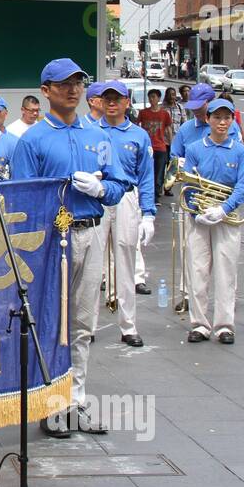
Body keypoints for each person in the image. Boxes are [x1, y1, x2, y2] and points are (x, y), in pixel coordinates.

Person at [10, 59, 127, 437]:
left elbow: (118, 184)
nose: (73, 90)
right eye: (63, 84)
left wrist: (100, 189)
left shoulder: (98, 135)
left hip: (91, 229)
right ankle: (51, 403)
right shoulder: (33, 140)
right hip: (52, 238)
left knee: (82, 324)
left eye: (77, 82)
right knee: (52, 322)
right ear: (46, 91)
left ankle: (75, 401)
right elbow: (22, 198)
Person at [180, 99, 244, 345]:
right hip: (200, 217)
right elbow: (188, 182)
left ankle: (224, 325)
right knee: (197, 271)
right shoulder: (195, 148)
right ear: (208, 119)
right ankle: (199, 324)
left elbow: (243, 187)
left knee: (226, 272)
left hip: (227, 218)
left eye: (227, 118)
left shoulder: (240, 151)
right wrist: (195, 212)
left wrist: (223, 209)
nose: (222, 122)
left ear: (232, 120)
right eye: (217, 117)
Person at [98, 81, 156, 346]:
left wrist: (149, 214)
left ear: (126, 102)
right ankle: (87, 327)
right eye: (107, 98)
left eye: (117, 98)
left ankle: (128, 326)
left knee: (126, 260)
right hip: (96, 196)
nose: (112, 102)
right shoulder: (89, 131)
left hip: (126, 197)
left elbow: (146, 177)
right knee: (91, 263)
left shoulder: (139, 135)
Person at [138, 88, 172, 198]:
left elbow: (168, 129)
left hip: (160, 147)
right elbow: (137, 126)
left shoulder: (164, 114)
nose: (151, 99)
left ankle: (156, 194)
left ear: (158, 98)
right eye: (150, 97)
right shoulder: (143, 113)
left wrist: (170, 144)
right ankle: (147, 193)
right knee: (147, 171)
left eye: (154, 97)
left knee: (159, 172)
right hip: (147, 147)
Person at [169, 83, 215, 163]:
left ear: (210, 103)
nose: (195, 110)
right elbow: (174, 157)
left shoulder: (227, 127)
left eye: (199, 106)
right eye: (193, 106)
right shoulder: (185, 129)